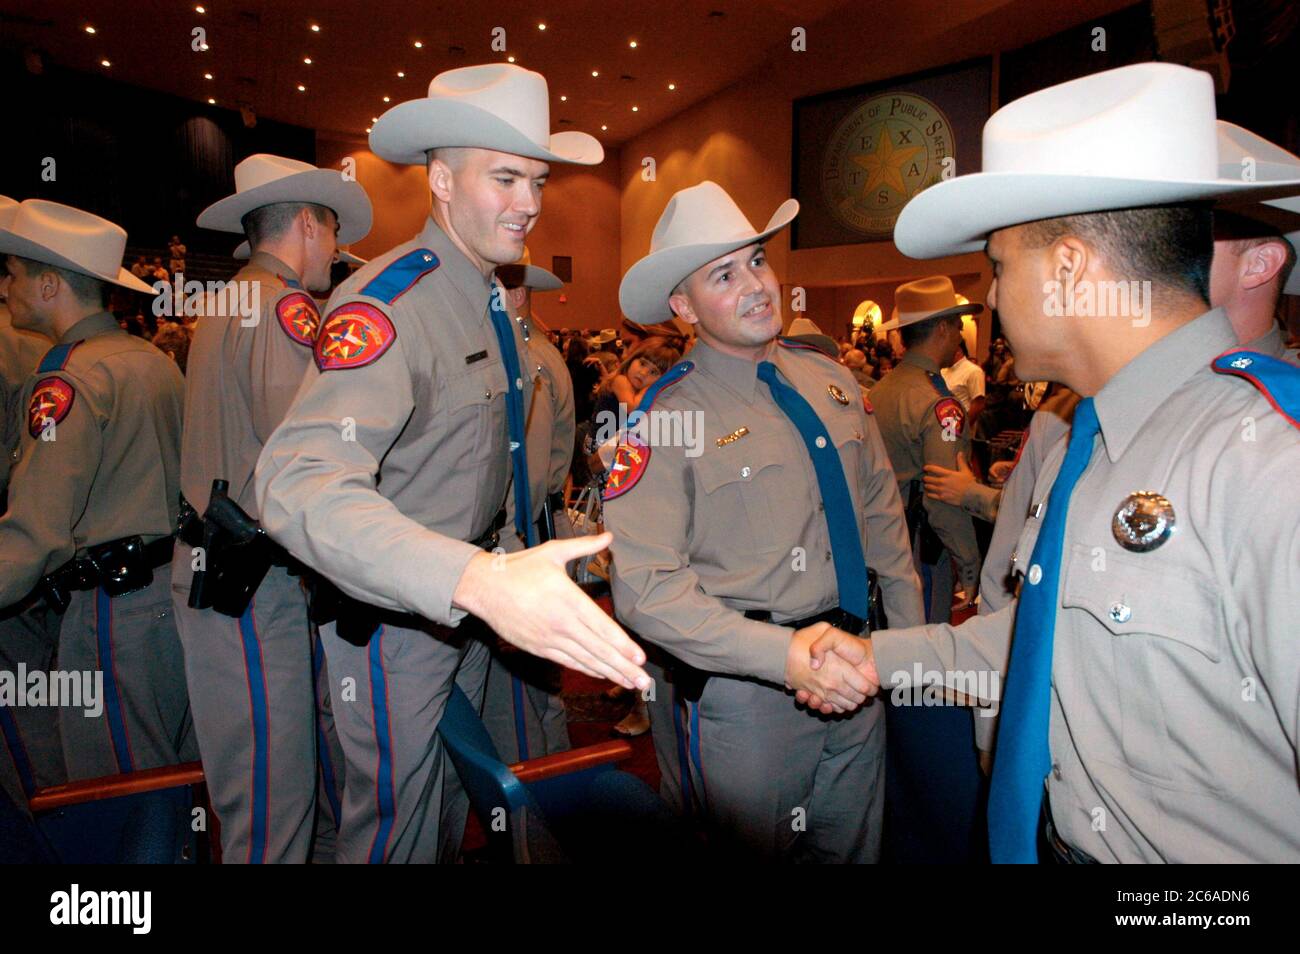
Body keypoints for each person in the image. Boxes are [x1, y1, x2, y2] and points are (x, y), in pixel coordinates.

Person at [804, 63, 1300, 863]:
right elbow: (1041, 644)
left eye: (999, 267)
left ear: (1069, 269)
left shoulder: (1269, 464)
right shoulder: (1096, 438)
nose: (991, 301)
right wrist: (875, 656)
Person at [253, 64, 648, 864]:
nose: (531, 202)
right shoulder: (390, 304)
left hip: (461, 617)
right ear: (439, 180)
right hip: (395, 625)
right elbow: (293, 481)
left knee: (436, 819)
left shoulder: (486, 296)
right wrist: (474, 581)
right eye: (505, 177)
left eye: (536, 180)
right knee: (393, 830)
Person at [604, 181, 924, 861]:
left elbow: (882, 518)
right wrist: (782, 661)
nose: (756, 284)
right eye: (724, 274)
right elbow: (648, 589)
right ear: (683, 306)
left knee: (853, 850)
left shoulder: (829, 380)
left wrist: (908, 643)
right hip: (749, 695)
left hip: (859, 666)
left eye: (757, 261)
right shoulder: (662, 422)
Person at [172, 153, 372, 863]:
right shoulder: (285, 308)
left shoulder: (228, 302)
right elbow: (305, 458)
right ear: (312, 226)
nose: (335, 256)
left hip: (224, 573)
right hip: (251, 586)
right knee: (270, 800)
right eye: (334, 234)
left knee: (271, 787)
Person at [0, 199, 196, 782]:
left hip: (112, 613)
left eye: (12, 274)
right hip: (171, 595)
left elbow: (35, 533)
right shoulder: (148, 358)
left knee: (114, 788)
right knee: (168, 780)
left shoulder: (68, 378)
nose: (5, 287)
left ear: (50, 284)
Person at [480, 248, 576, 760]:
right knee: (535, 691)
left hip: (522, 539)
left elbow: (526, 474)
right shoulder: (527, 351)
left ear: (513, 293)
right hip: (530, 536)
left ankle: (535, 825)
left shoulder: (525, 359)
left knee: (519, 703)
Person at [872, 275, 983, 621]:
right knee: (926, 655)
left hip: (880, 540)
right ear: (943, 329)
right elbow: (942, 496)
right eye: (958, 325)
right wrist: (969, 563)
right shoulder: (938, 404)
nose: (961, 335)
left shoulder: (879, 391)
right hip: (921, 547)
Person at [942, 338, 986, 415]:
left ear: (958, 350)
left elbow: (979, 404)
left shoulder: (974, 371)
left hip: (962, 420)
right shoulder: (943, 370)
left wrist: (966, 424)